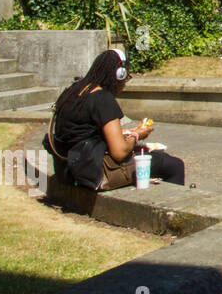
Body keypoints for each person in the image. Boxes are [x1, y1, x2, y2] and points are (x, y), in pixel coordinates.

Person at [44, 48, 185, 190]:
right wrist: (137, 135)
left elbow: (82, 130)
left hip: (67, 169)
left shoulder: (73, 91)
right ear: (119, 74)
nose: (125, 83)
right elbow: (119, 153)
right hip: (93, 172)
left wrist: (124, 133)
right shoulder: (102, 98)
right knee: (173, 165)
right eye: (126, 77)